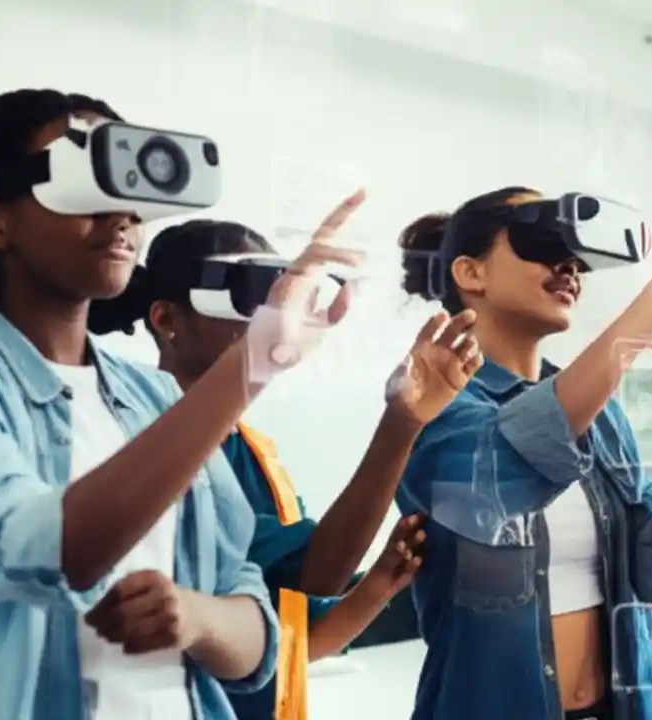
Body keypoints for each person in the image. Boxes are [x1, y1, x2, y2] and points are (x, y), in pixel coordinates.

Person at [0, 88, 361, 719]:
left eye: (128, 186)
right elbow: (46, 554)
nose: (122, 215)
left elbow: (254, 637)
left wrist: (197, 617)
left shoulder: (154, 396)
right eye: (82, 182)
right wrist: (253, 362)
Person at [394, 154, 652, 720]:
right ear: (470, 273)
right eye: (540, 243)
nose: (568, 266)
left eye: (575, 256)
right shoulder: (431, 411)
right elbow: (512, 464)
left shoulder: (602, 416)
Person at [88, 219, 483, 719]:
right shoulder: (132, 446)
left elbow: (299, 606)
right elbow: (318, 571)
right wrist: (399, 426)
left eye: (284, 295)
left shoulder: (250, 452)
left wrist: (403, 421)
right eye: (252, 293)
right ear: (167, 319)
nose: (275, 316)